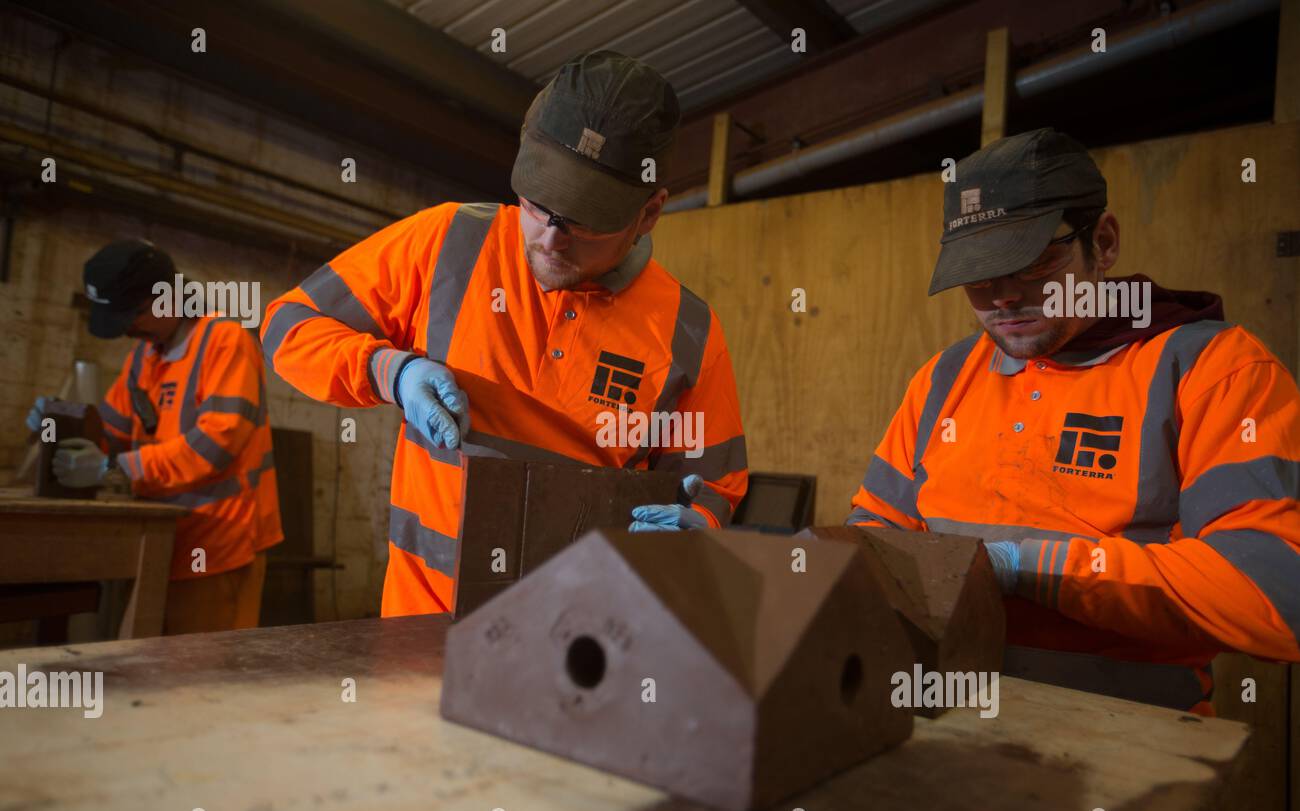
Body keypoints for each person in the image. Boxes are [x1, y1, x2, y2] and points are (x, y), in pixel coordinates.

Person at [261, 51, 748, 616]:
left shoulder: (688, 329)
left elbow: (712, 482)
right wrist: (390, 371)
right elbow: (289, 326)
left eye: (584, 220)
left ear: (649, 212)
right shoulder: (448, 242)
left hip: (577, 634)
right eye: (539, 204)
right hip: (418, 626)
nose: (551, 238)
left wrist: (697, 525)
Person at [846, 128, 1300, 712]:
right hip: (945, 714)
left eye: (1033, 263)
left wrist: (1028, 567)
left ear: (1102, 243)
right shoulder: (944, 378)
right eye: (977, 276)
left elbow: (1274, 591)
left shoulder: (1214, 371)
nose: (1003, 297)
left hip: (1133, 734)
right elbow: (876, 531)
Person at [26, 239, 282, 634]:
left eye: (134, 314)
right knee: (151, 663)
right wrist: (59, 422)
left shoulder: (226, 341)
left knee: (200, 670)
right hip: (163, 541)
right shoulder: (144, 358)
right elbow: (107, 433)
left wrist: (112, 468)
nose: (129, 329)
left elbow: (215, 446)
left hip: (219, 543)